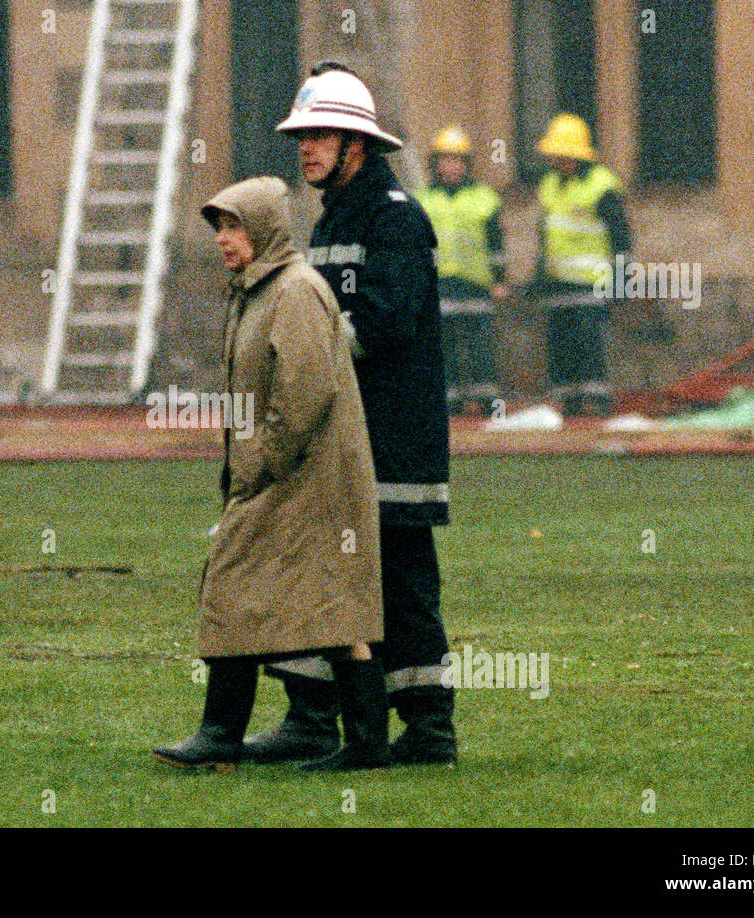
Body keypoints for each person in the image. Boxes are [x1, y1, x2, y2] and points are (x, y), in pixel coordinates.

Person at [244, 62, 457, 766]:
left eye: (321, 135)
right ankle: (312, 717)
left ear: (357, 143)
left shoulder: (395, 218)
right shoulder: (340, 216)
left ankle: (427, 732)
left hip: (392, 441)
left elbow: (386, 321)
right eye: (302, 136)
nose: (305, 148)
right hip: (346, 435)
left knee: (401, 583)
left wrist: (306, 353)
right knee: (318, 571)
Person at [152, 175, 390, 772]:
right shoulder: (258, 291)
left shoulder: (295, 292)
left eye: (235, 226)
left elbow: (304, 394)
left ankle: (223, 734)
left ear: (265, 227)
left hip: (309, 478)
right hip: (290, 476)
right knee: (329, 612)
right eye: (219, 229)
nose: (225, 240)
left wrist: (261, 463)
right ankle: (358, 742)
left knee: (248, 591)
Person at [531, 113, 633, 417]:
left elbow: (621, 237)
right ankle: (569, 402)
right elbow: (546, 233)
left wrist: (622, 280)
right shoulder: (550, 185)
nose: (560, 162)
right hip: (559, 280)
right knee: (561, 343)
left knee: (590, 342)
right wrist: (539, 274)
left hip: (593, 281)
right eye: (556, 156)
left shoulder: (602, 187)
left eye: (566, 156)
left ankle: (598, 401)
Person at [417, 125, 508, 415]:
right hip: (439, 283)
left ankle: (487, 400)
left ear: (466, 164)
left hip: (475, 282)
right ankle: (449, 400)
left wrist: (500, 280)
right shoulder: (423, 199)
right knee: (443, 345)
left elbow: (496, 243)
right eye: (445, 160)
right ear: (436, 164)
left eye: (456, 160)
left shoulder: (485, 198)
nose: (451, 166)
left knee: (480, 345)